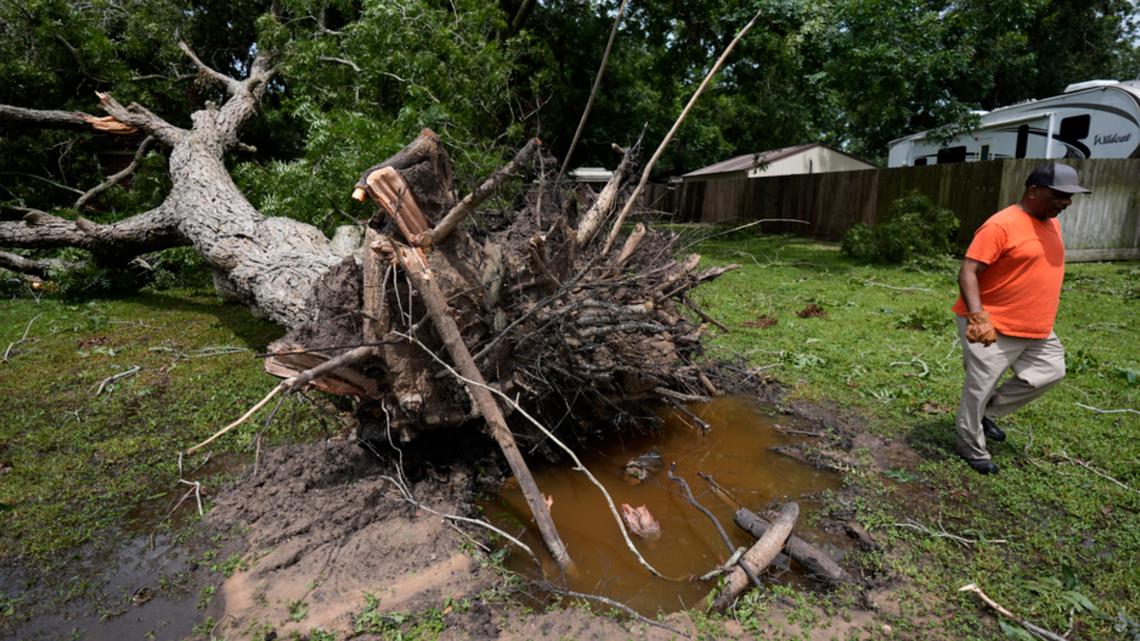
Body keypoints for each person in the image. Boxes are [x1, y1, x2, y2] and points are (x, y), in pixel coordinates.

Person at [950, 163, 1091, 474]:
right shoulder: (1001, 225)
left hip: (1037, 327)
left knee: (1050, 371)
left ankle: (985, 414)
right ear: (1033, 191)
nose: (1067, 202)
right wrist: (977, 317)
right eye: (1060, 195)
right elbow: (968, 271)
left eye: (1069, 196)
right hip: (994, 324)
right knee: (979, 387)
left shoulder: (1051, 222)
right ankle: (970, 445)